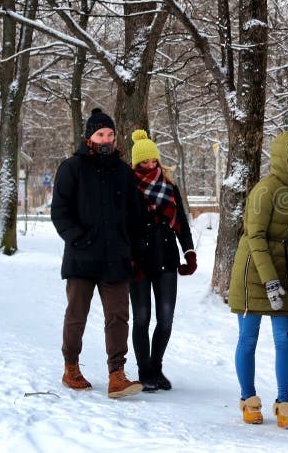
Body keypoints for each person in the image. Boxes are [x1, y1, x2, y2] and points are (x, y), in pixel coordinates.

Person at [51, 108, 144, 399]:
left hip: (115, 258)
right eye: (100, 134)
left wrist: (131, 247)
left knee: (118, 316)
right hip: (81, 256)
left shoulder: (123, 172)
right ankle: (71, 367)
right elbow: (60, 211)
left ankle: (117, 374)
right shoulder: (71, 168)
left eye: (110, 134)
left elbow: (135, 214)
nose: (106, 139)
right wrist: (77, 238)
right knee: (76, 315)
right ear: (89, 137)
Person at [228, 131, 288, 430]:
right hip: (253, 271)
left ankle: (284, 402)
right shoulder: (264, 191)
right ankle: (248, 400)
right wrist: (269, 281)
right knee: (248, 337)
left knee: (284, 338)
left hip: (282, 271)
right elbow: (255, 237)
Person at [129, 129, 197, 391]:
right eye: (144, 162)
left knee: (166, 318)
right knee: (141, 318)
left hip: (167, 256)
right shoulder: (129, 186)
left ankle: (156, 366)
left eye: (153, 160)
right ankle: (143, 370)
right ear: (136, 163)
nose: (149, 165)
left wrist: (189, 252)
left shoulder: (169, 185)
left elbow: (181, 222)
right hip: (139, 258)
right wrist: (128, 256)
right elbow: (124, 225)